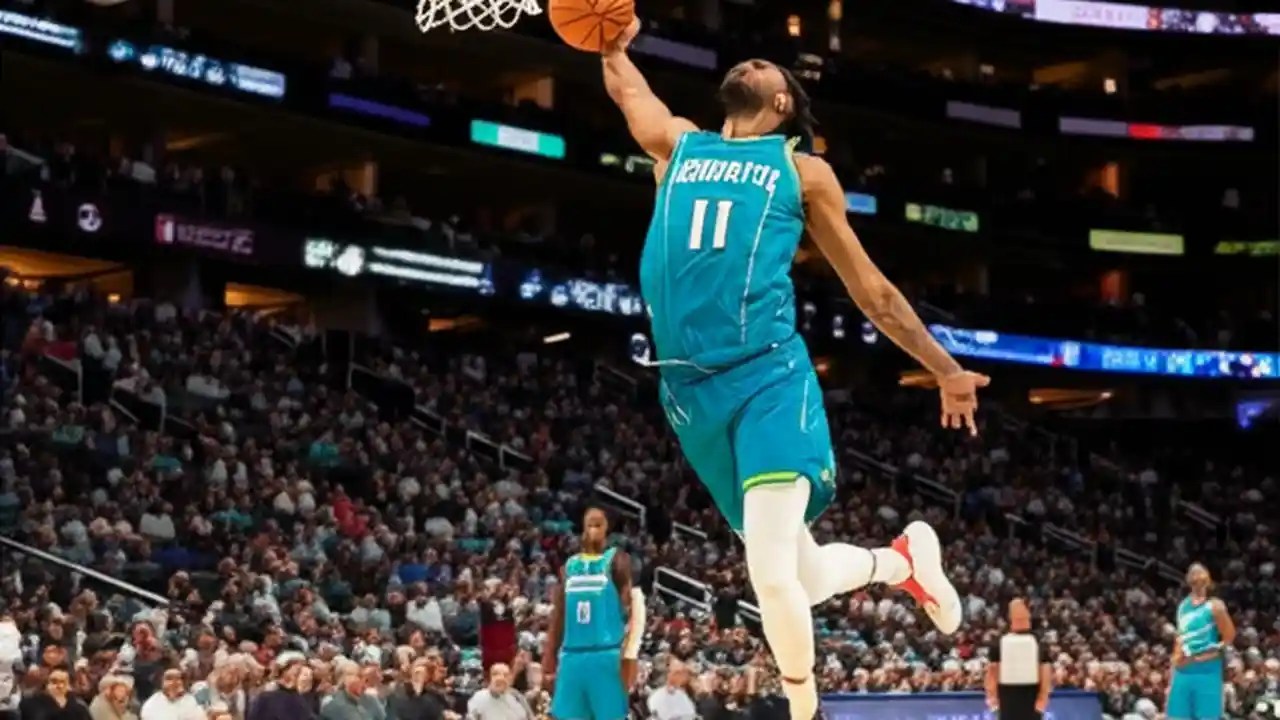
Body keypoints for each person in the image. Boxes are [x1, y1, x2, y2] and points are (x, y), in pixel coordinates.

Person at [600, 16, 985, 720]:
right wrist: (609, 43)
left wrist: (944, 367)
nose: (755, 61)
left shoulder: (802, 172)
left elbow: (872, 289)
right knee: (801, 579)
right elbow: (629, 91)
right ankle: (899, 562)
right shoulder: (680, 145)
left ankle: (807, 710)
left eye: (770, 68)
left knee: (770, 577)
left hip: (767, 378)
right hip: (688, 393)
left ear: (782, 105)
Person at [542, 508, 643, 720]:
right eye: (590, 524)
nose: (595, 529)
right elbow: (558, 614)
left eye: (599, 524)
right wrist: (549, 656)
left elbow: (634, 612)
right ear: (583, 528)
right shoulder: (569, 566)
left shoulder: (617, 560)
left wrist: (630, 656)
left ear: (607, 528)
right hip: (572, 656)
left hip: (606, 655)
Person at [1166, 563, 1235, 720]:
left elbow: (1229, 635)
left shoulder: (1215, 606)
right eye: (1193, 576)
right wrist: (1175, 660)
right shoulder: (1183, 606)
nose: (1197, 578)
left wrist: (1213, 652)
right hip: (1183, 668)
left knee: (1207, 716)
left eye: (1201, 576)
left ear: (1208, 581)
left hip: (1207, 669)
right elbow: (1180, 636)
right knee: (1177, 716)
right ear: (1188, 580)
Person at [985, 599, 1050, 720]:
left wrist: (1042, 701)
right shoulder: (999, 643)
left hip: (1031, 698)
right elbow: (992, 673)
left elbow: (1045, 672)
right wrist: (993, 700)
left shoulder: (1039, 643)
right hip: (1006, 698)